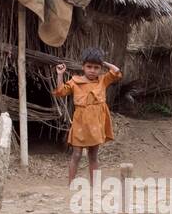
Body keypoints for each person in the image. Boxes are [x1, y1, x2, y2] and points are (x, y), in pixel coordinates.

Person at [52, 47, 123, 185]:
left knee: (93, 155)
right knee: (77, 154)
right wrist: (60, 74)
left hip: (96, 125)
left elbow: (117, 72)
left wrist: (103, 62)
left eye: (96, 67)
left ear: (101, 69)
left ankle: (94, 185)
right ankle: (71, 185)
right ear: (83, 67)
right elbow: (60, 92)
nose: (92, 70)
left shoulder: (103, 80)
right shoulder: (75, 81)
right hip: (80, 124)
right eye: (89, 66)